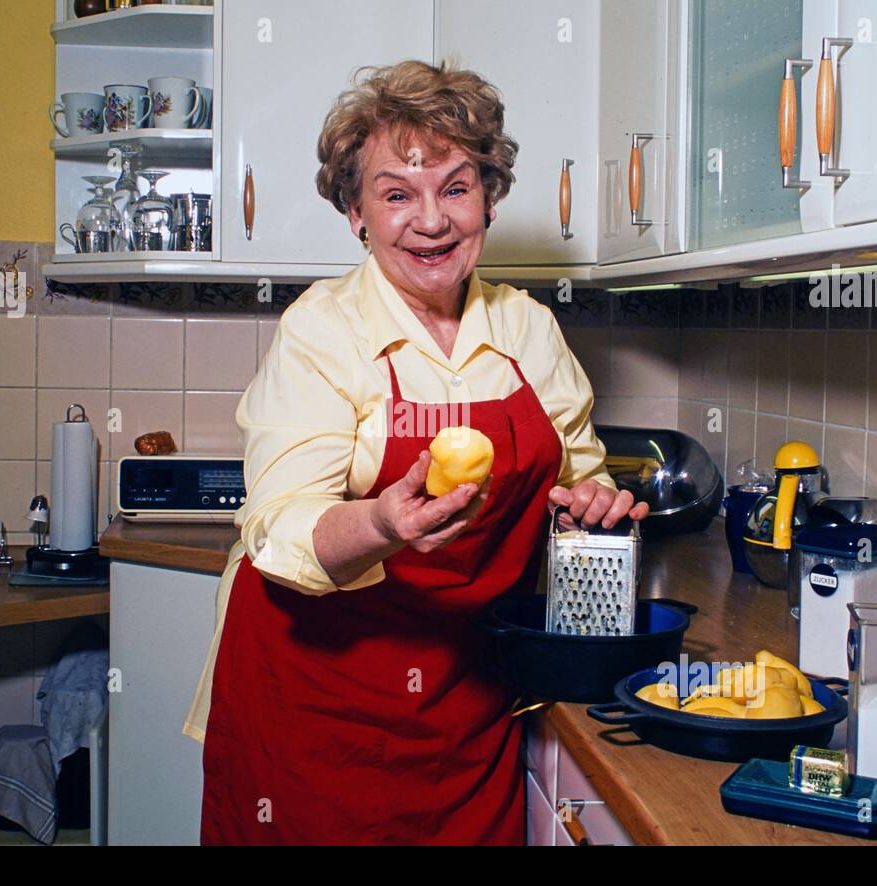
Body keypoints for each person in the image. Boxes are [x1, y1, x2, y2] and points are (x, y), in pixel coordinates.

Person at [186, 59, 647, 844]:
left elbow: (578, 476)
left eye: (456, 188)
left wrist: (591, 509)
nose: (431, 221)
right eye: (397, 193)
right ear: (356, 214)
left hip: (468, 702)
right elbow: (279, 528)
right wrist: (383, 523)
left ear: (490, 200)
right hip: (315, 704)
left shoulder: (528, 330)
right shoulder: (323, 330)